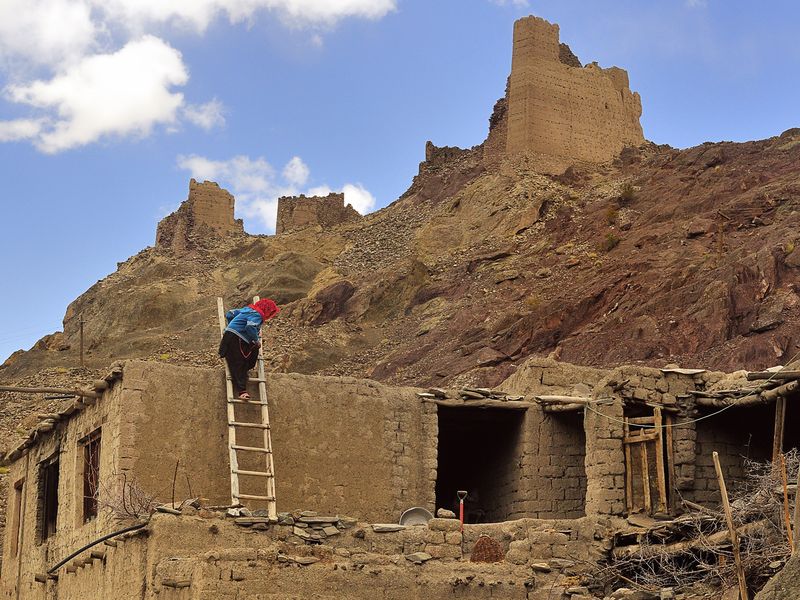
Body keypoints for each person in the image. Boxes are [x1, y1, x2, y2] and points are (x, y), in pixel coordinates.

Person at [219, 298, 280, 399]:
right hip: (236, 338)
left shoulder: (247, 310)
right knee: (239, 362)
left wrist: (231, 326)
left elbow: (230, 313)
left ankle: (241, 377)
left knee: (243, 358)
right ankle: (242, 391)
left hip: (229, 338)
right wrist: (256, 340)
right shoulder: (258, 314)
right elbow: (250, 327)